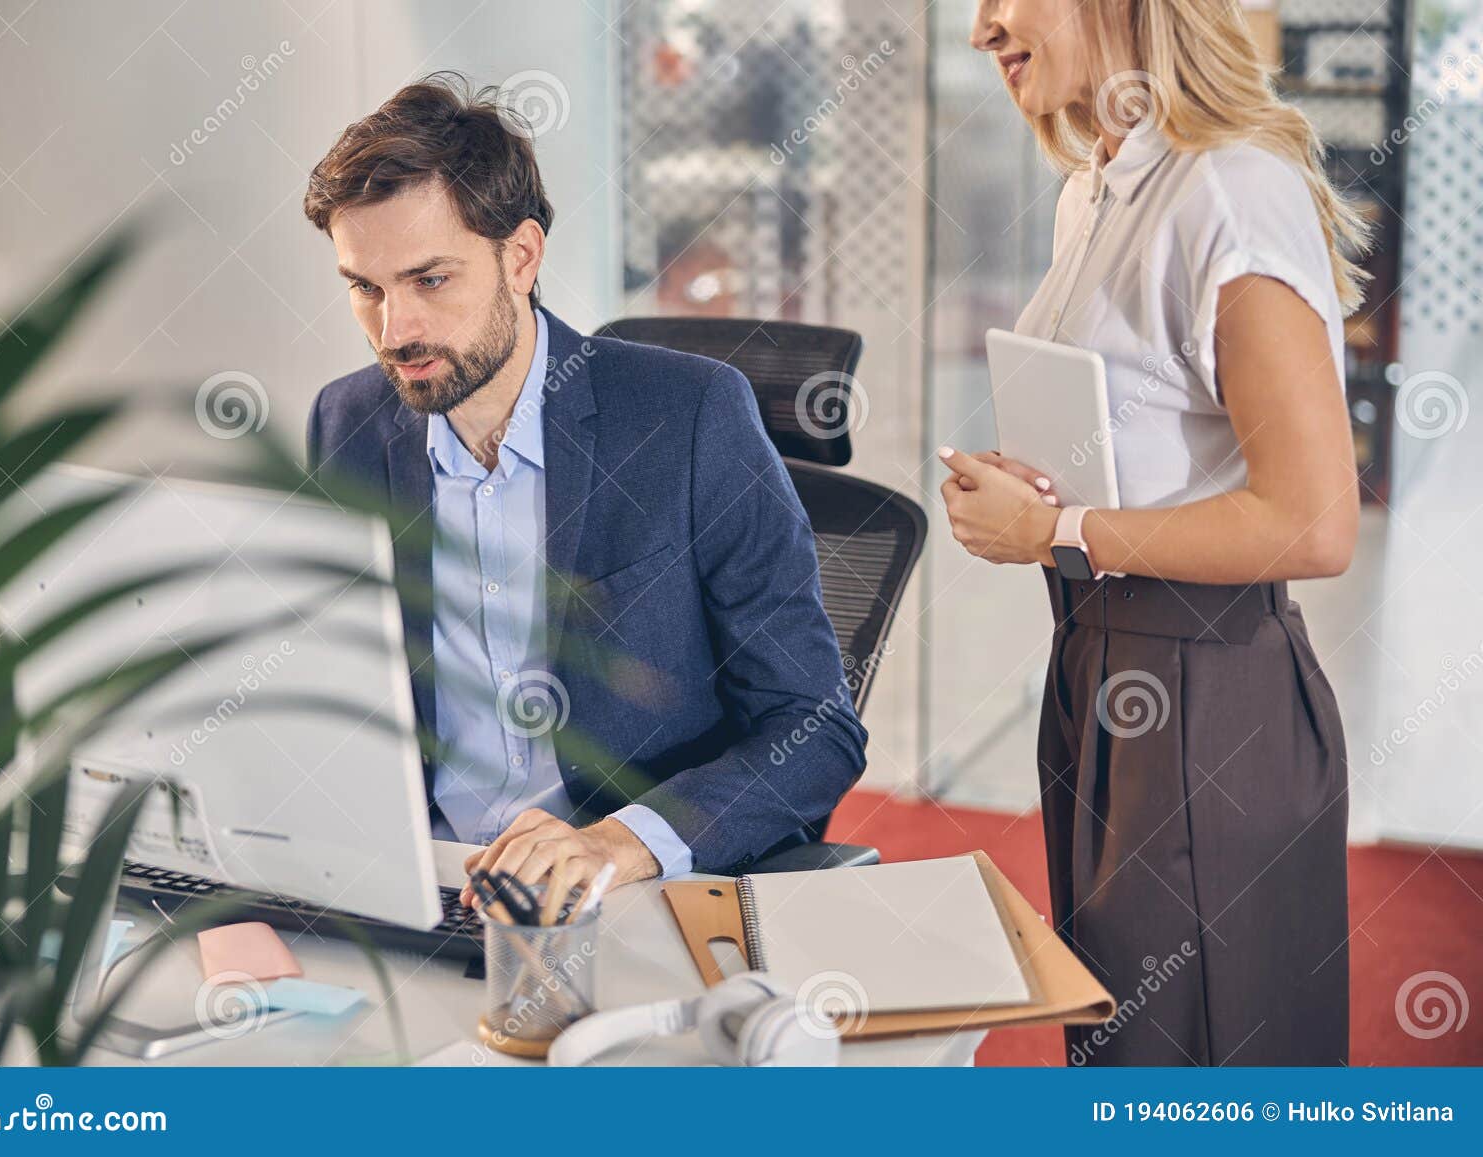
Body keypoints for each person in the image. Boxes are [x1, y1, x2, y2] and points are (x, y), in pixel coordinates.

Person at [302, 74, 865, 903]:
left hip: (631, 891)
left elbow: (814, 729)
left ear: (520, 257)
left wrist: (620, 843)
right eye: (365, 288)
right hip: (427, 889)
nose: (396, 331)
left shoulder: (690, 417)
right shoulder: (346, 424)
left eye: (430, 280)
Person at [945, 1, 1361, 1064]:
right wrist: (1044, 502)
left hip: (1203, 691)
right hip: (1093, 663)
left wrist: (1060, 525)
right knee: (1111, 1045)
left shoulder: (1226, 186)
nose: (982, 29)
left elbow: (1312, 522)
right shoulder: (1096, 186)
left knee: (1187, 1067)